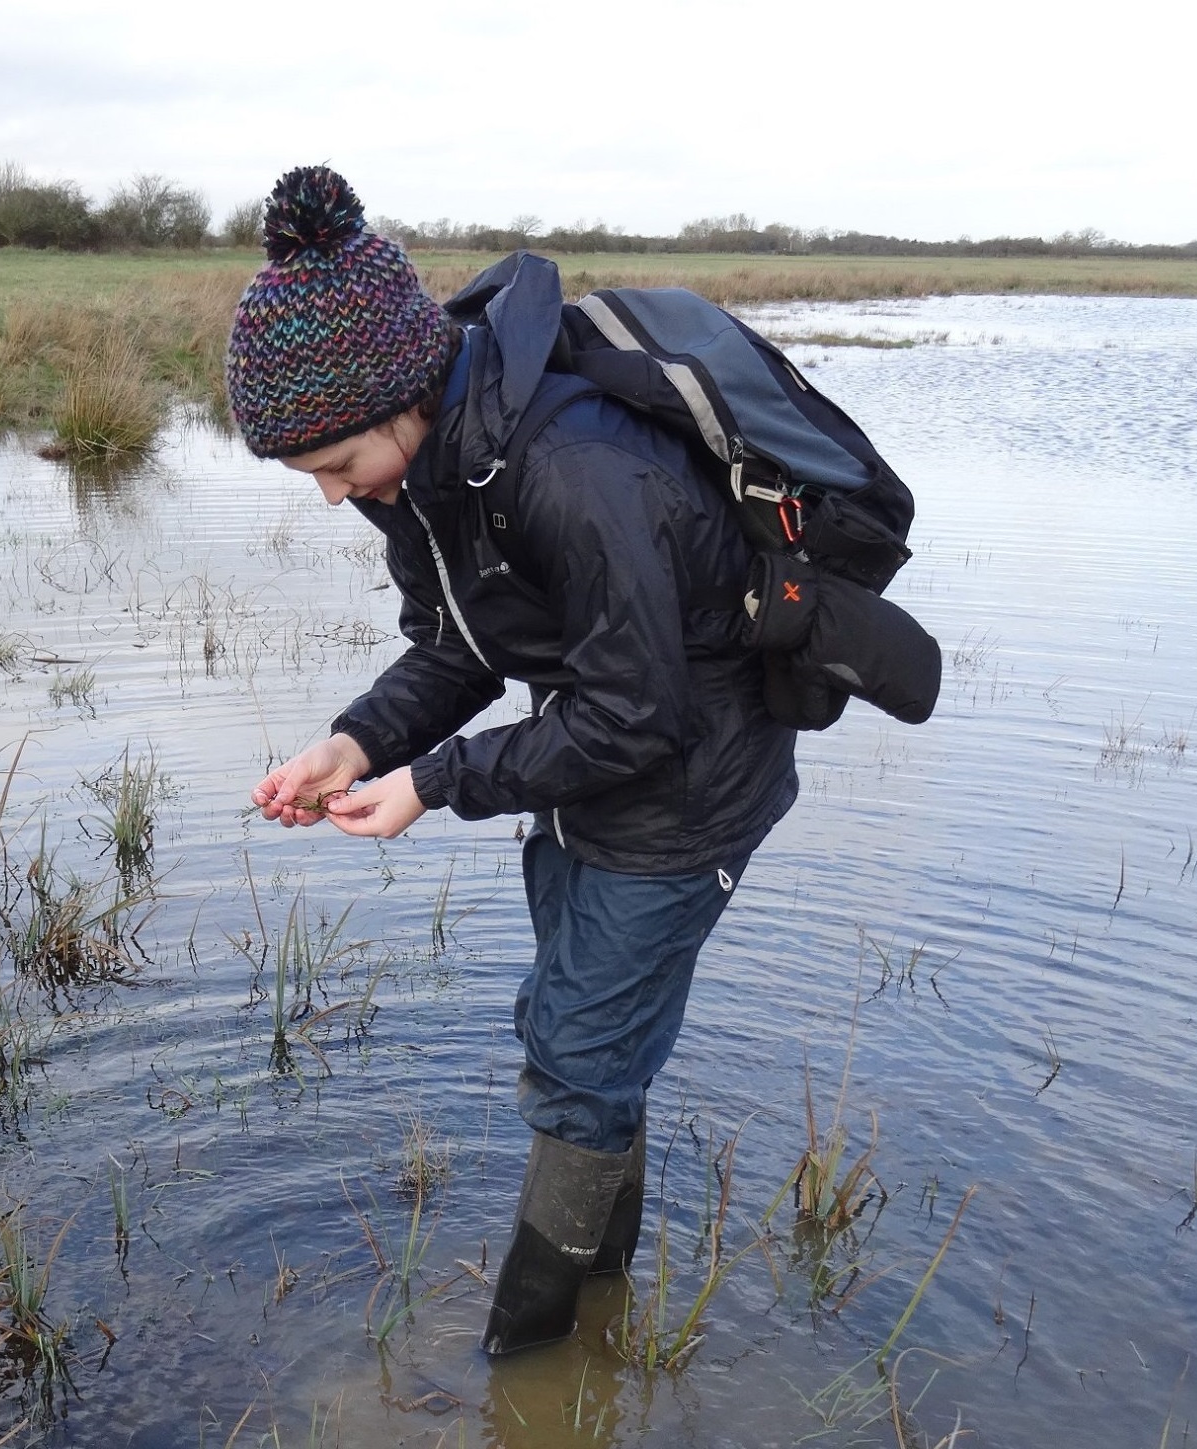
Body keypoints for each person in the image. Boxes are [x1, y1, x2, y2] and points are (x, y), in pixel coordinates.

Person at [227, 166, 799, 1355]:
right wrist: (355, 742)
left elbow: (636, 715)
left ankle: (521, 1365)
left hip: (685, 780)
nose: (336, 498)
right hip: (581, 764)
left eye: (336, 467)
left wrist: (434, 785)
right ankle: (599, 1317)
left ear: (398, 400)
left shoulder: (573, 471)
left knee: (581, 1056)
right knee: (589, 1044)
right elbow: (459, 644)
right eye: (315, 480)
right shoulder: (428, 475)